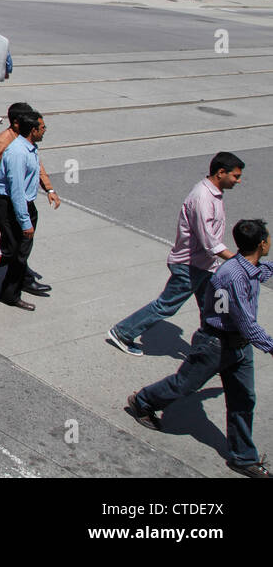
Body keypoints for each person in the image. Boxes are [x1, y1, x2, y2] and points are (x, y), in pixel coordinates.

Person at [126, 219, 272, 478]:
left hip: (239, 347)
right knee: (183, 385)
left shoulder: (247, 265)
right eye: (268, 238)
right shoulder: (233, 277)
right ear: (262, 244)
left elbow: (263, 271)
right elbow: (248, 325)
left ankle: (243, 457)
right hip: (215, 345)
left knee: (243, 399)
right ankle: (142, 401)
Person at [109, 152, 245, 356]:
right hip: (190, 265)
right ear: (221, 172)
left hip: (205, 265)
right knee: (166, 306)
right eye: (235, 176)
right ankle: (122, 332)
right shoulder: (202, 198)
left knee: (213, 308)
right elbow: (209, 242)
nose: (239, 181)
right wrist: (239, 261)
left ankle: (209, 351)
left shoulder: (212, 193)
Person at [0, 109, 47, 310]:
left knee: (19, 252)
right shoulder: (17, 152)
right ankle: (9, 293)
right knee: (13, 253)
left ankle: (15, 287)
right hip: (11, 206)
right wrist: (25, 222)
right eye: (42, 127)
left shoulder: (30, 147)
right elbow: (16, 191)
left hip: (24, 205)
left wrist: (49, 190)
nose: (45, 130)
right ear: (33, 130)